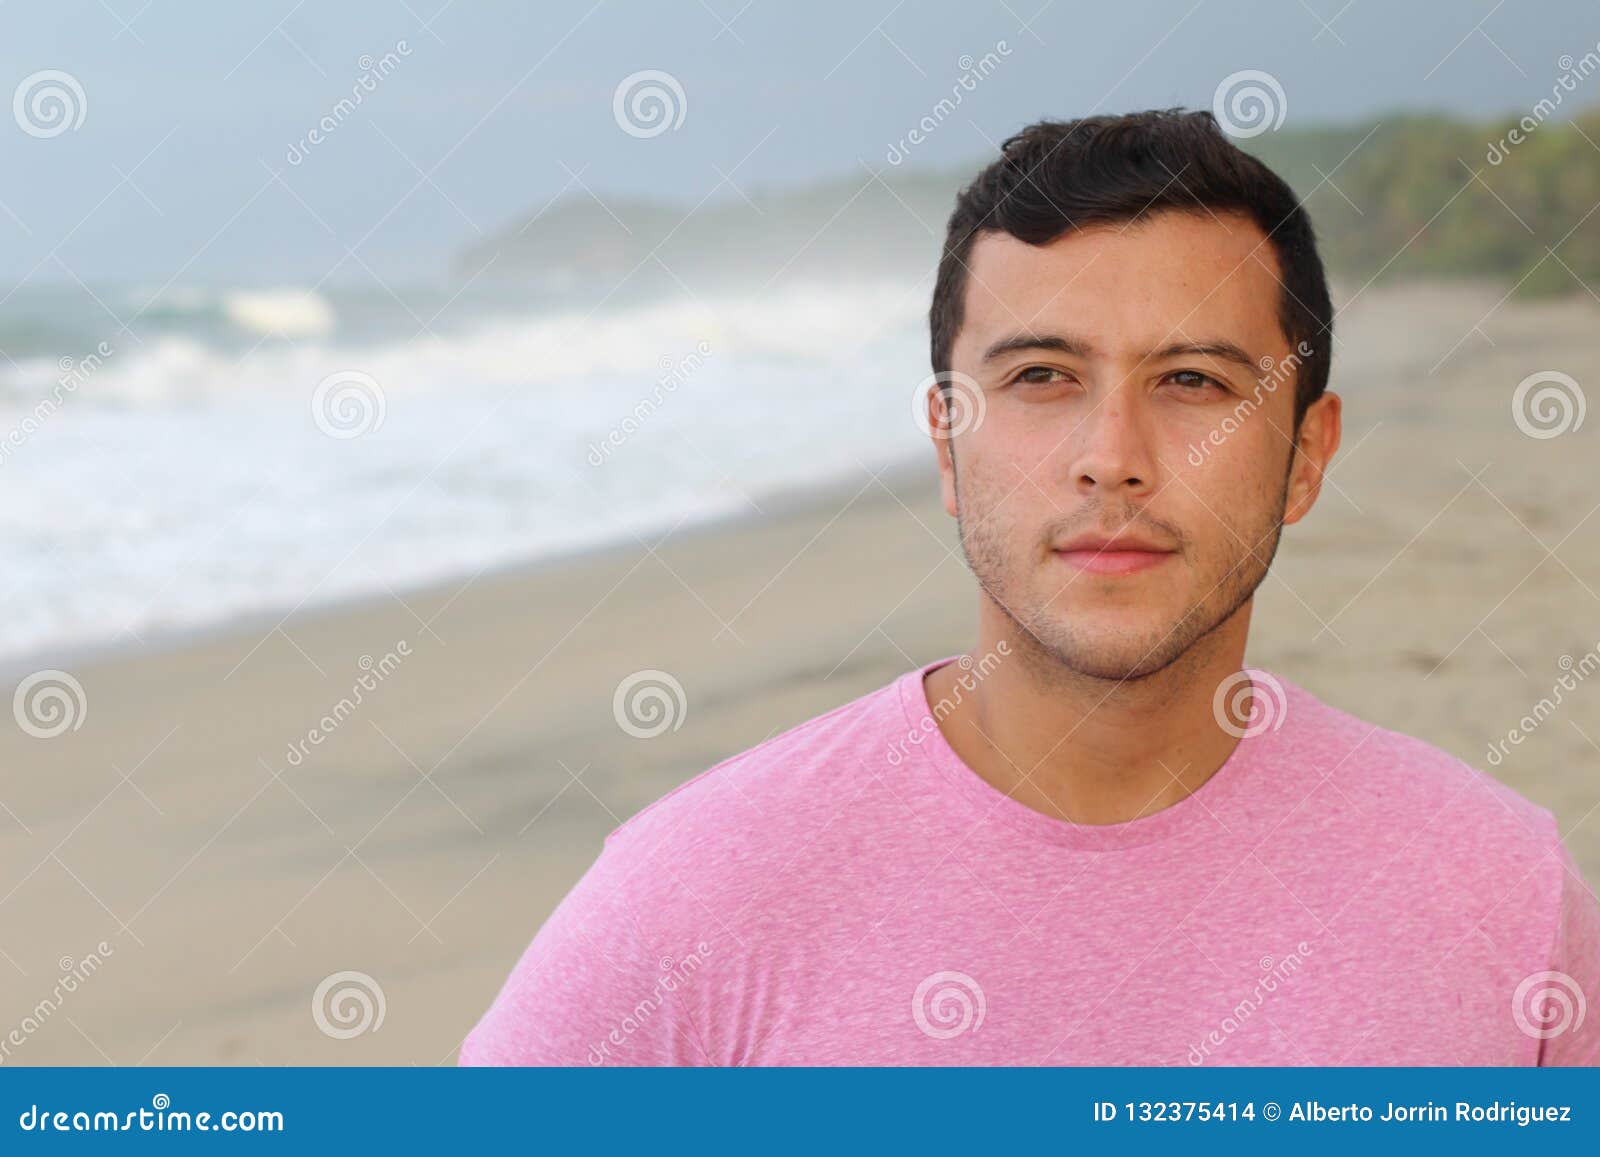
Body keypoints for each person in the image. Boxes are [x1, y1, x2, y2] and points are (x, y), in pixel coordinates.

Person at [460, 108, 1600, 1065]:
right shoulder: (690, 900)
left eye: (1194, 380)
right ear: (948, 445)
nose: (1113, 453)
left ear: (1304, 452)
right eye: (1042, 377)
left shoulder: (1500, 891)